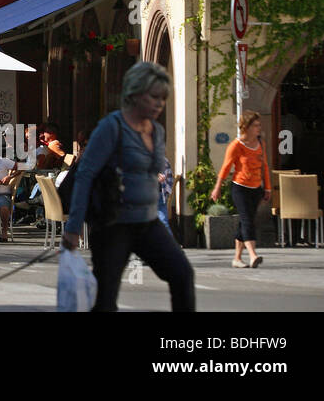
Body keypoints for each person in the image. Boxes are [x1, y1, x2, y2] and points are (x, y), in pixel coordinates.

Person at [64, 61, 194, 312]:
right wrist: (73, 226)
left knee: (182, 274)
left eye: (163, 98)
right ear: (134, 94)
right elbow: (85, 175)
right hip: (113, 224)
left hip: (148, 222)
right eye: (153, 97)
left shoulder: (156, 131)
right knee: (106, 299)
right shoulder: (111, 127)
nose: (159, 104)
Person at [211, 110, 272, 269]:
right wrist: (217, 187)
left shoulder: (261, 144)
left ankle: (237, 258)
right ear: (246, 127)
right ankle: (253, 255)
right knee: (247, 221)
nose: (259, 128)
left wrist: (267, 187)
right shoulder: (236, 145)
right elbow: (225, 168)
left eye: (259, 125)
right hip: (240, 188)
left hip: (256, 188)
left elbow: (265, 166)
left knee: (246, 222)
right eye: (255, 125)